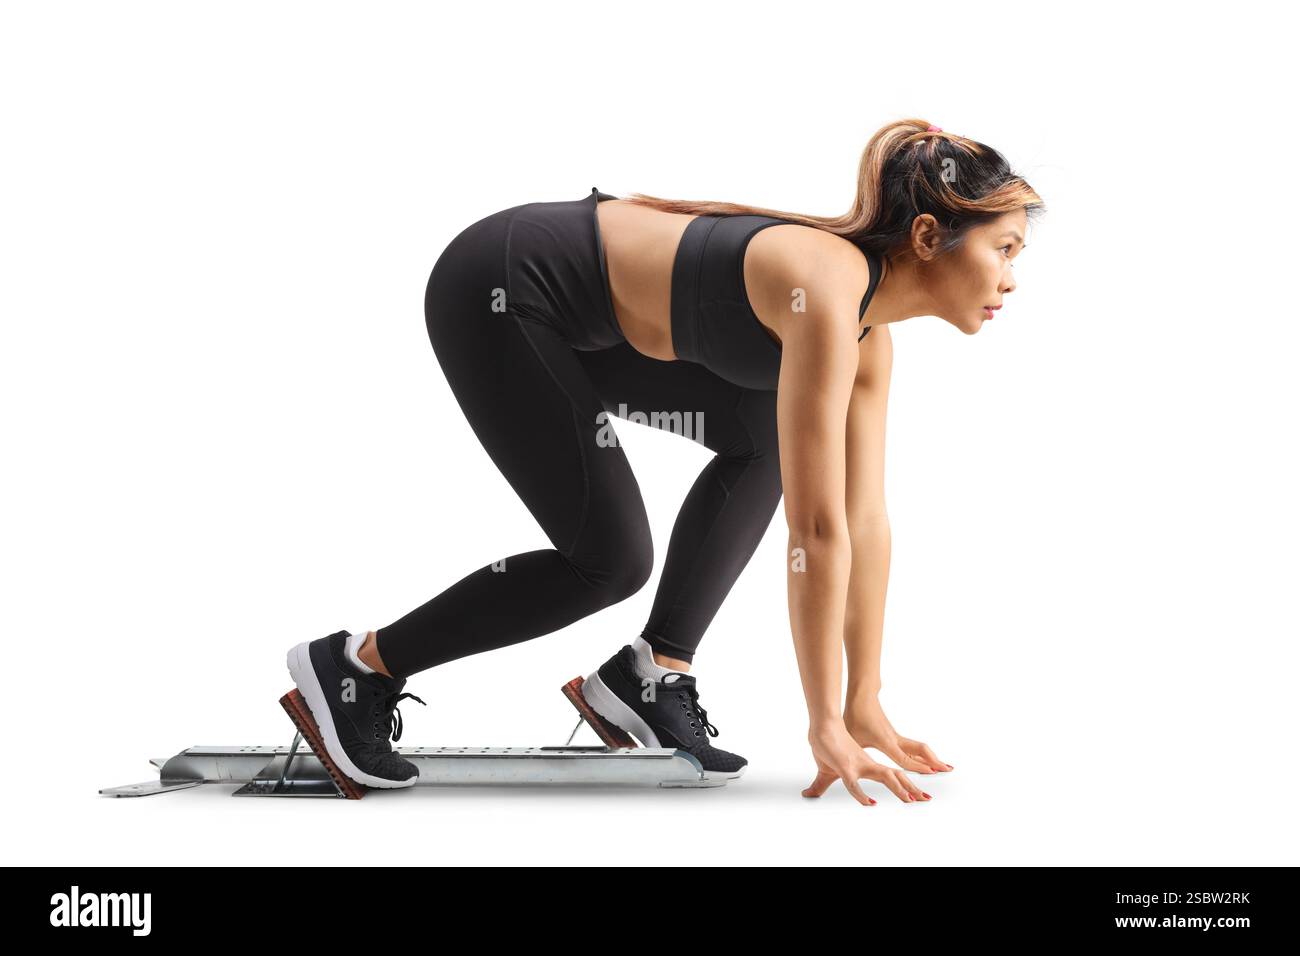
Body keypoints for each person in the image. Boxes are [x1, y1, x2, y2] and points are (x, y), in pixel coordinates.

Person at [284, 117, 1045, 805]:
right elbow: (814, 534)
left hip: (595, 331)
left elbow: (862, 519)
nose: (1012, 277)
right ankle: (359, 668)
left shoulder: (867, 340)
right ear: (924, 236)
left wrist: (863, 699)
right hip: (503, 292)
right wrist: (820, 720)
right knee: (608, 560)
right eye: (1004, 249)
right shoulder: (825, 287)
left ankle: (651, 674)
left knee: (765, 439)